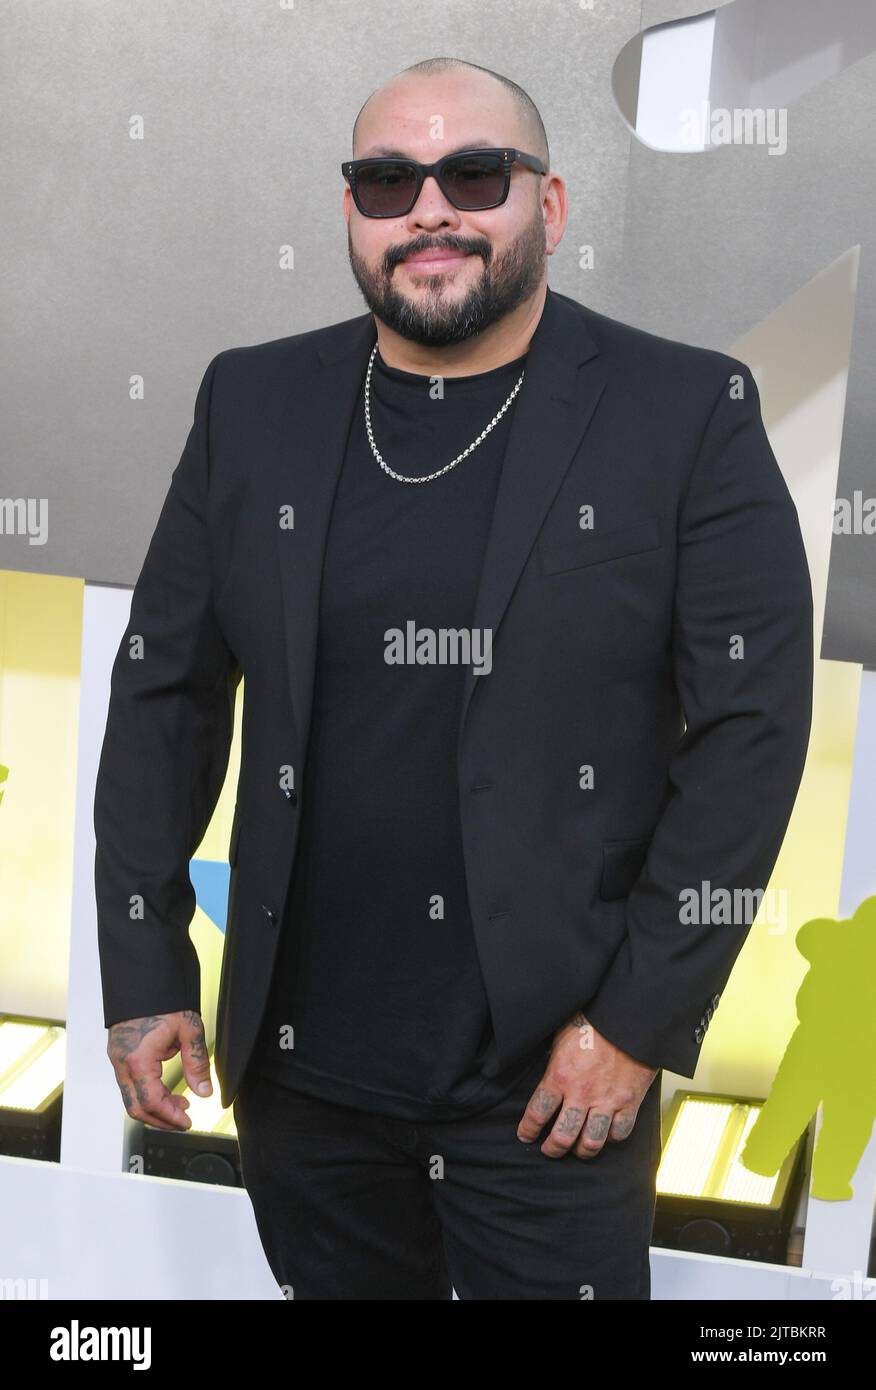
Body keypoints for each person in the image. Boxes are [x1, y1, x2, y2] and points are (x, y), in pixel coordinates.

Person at [94, 56, 814, 1299]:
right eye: (388, 180)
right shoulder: (252, 399)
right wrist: (146, 962)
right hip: (304, 1082)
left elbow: (752, 730)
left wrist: (640, 1024)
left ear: (551, 204)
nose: (430, 208)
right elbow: (166, 688)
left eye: (473, 174)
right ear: (352, 214)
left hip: (553, 1085)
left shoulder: (686, 410)